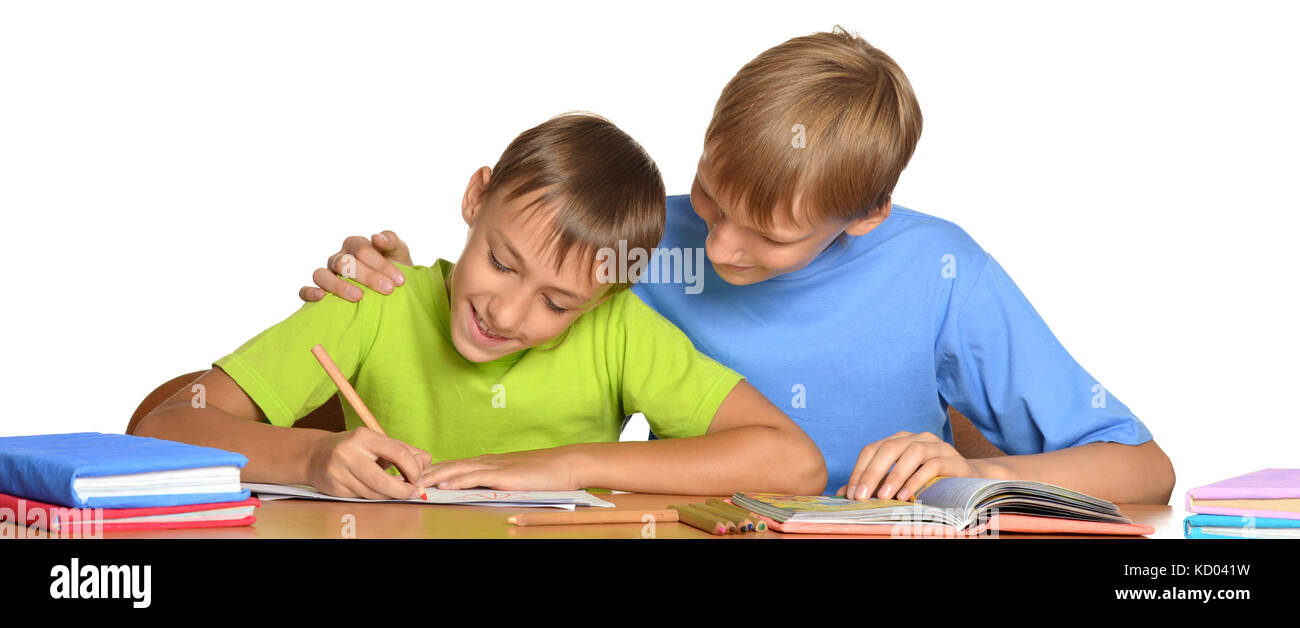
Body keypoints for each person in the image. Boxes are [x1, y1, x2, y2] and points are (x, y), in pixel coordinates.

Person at [305, 28, 1176, 504]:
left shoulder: (944, 271)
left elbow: (1143, 469)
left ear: (864, 216)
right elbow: (511, 282)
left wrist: (980, 470)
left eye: (771, 237)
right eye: (711, 197)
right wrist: (376, 287)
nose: (717, 248)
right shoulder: (641, 244)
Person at [134, 112, 827, 499]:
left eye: (557, 303)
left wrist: (567, 465)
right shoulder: (374, 300)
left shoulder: (619, 331)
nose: (507, 312)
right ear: (476, 197)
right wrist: (313, 458)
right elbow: (162, 426)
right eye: (501, 262)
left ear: (611, 289)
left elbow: (794, 464)